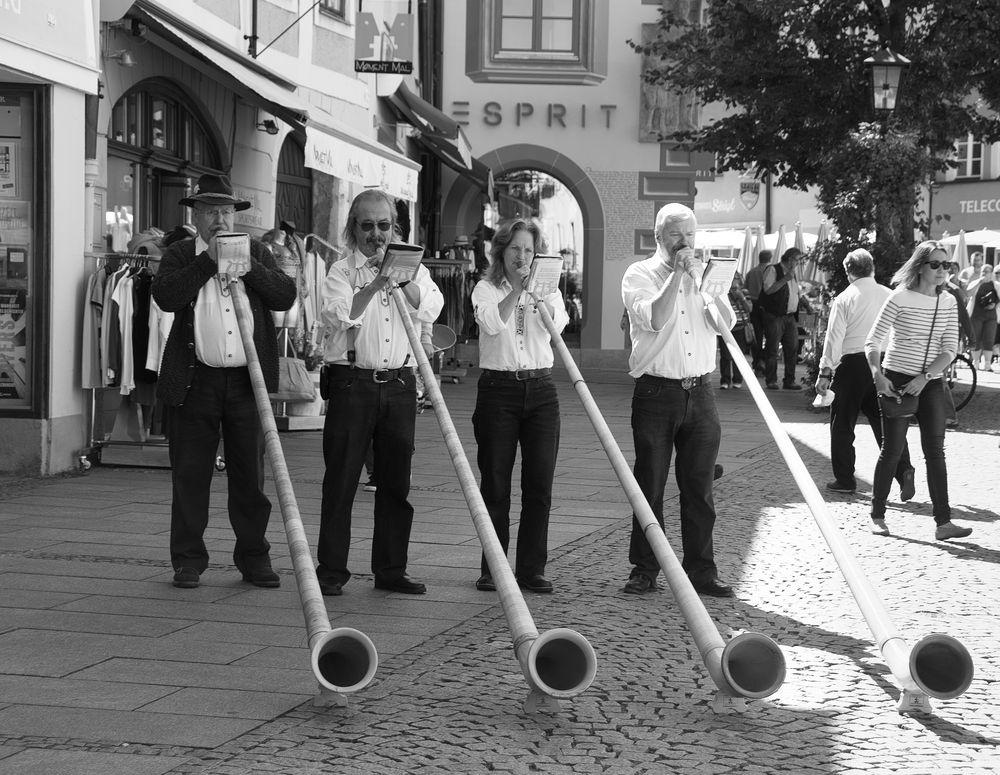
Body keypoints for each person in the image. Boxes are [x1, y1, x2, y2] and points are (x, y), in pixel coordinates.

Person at [152, 174, 296, 589]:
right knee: (190, 475)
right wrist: (207, 261)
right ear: (195, 215)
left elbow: (284, 296)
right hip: (196, 380)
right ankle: (188, 560)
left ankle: (254, 559)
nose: (219, 218)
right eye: (211, 211)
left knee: (250, 477)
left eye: (226, 210)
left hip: (247, 382)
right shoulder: (181, 253)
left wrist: (246, 268)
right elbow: (167, 297)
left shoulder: (256, 250)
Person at [315, 189, 444, 596]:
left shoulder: (412, 269)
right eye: (367, 225)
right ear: (353, 228)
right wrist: (373, 282)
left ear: (395, 228)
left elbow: (431, 306)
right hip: (352, 382)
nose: (377, 234)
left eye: (384, 225)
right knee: (341, 482)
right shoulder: (341, 271)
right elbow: (340, 315)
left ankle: (391, 570)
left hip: (400, 385)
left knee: (395, 485)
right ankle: (332, 571)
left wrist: (399, 278)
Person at [621, 203, 736, 597]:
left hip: (701, 391)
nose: (684, 242)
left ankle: (701, 571)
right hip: (657, 392)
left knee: (699, 488)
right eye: (676, 234)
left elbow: (726, 324)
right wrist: (676, 277)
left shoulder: (704, 276)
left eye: (689, 234)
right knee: (649, 485)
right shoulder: (639, 274)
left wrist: (706, 284)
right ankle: (645, 569)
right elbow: (654, 318)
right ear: (659, 237)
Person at [470, 219, 569, 594]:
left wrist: (539, 293)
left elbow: (557, 328)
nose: (522, 257)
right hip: (499, 391)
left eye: (528, 250)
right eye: (515, 249)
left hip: (541, 389)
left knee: (539, 485)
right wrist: (518, 291)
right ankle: (493, 568)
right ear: (502, 252)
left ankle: (531, 568)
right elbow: (492, 323)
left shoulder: (549, 291)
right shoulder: (485, 288)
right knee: (495, 484)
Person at [865, 240, 972, 541]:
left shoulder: (949, 301)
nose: (941, 270)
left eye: (946, 265)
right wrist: (878, 376)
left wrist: (926, 377)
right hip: (896, 378)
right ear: (920, 266)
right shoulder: (900, 297)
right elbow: (872, 341)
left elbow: (950, 348)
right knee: (893, 450)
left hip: (930, 382)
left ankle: (944, 523)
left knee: (935, 451)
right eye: (935, 264)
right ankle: (877, 515)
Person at [815, 249, 914, 496]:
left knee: (842, 425)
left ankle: (846, 479)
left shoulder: (845, 297)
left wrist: (825, 371)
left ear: (848, 272)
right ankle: (904, 471)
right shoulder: (890, 295)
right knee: (887, 421)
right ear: (872, 267)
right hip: (885, 363)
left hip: (853, 364)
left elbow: (834, 338)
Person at [759, 247, 804, 390]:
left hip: (790, 316)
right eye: (797, 260)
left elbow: (795, 293)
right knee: (772, 349)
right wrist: (785, 279)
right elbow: (768, 290)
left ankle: (789, 380)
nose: (798, 263)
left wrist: (806, 305)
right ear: (790, 259)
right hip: (775, 316)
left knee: (792, 349)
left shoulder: (793, 273)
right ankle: (771, 380)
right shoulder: (773, 270)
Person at [718, 271, 752, 389]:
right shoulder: (721, 292)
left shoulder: (744, 292)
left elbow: (749, 309)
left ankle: (737, 379)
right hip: (725, 327)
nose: (734, 281)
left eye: (736, 278)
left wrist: (741, 298)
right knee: (725, 355)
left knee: (739, 354)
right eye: (731, 278)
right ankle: (725, 380)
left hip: (740, 327)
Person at [964, 263, 999, 370]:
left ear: (991, 273)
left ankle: (987, 364)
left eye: (987, 271)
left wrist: (995, 304)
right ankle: (976, 362)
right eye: (983, 271)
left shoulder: (996, 285)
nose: (985, 273)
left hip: (991, 316)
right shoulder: (975, 282)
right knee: (976, 338)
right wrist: (979, 282)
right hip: (976, 315)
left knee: (989, 339)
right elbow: (968, 294)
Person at [744, 249, 772, 374]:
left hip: (753, 306)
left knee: (757, 336)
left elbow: (745, 289)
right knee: (771, 337)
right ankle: (764, 362)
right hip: (766, 307)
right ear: (770, 258)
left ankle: (757, 363)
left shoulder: (751, 272)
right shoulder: (771, 272)